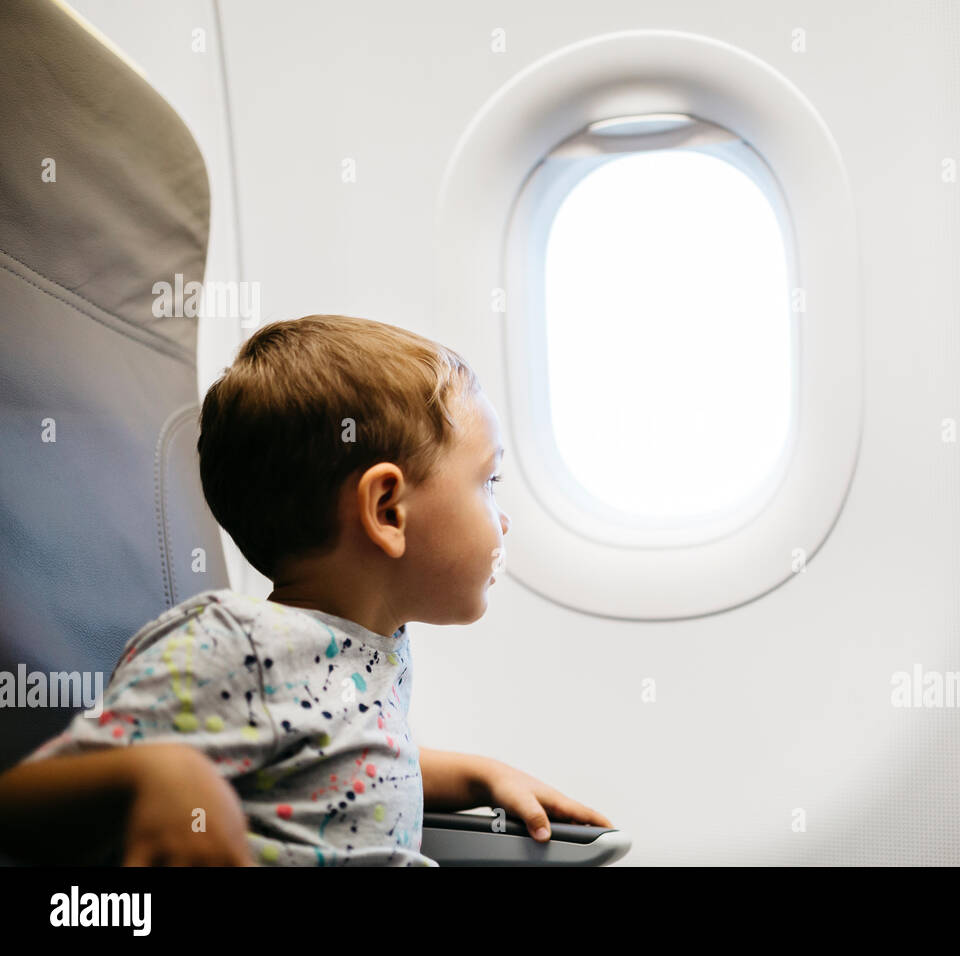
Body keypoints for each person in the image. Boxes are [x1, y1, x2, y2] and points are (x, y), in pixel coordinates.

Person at [0, 314, 613, 866]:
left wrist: (478, 776)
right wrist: (161, 773)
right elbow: (18, 805)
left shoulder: (367, 647)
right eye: (489, 480)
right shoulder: (238, 647)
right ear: (387, 509)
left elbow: (336, 757)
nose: (501, 519)